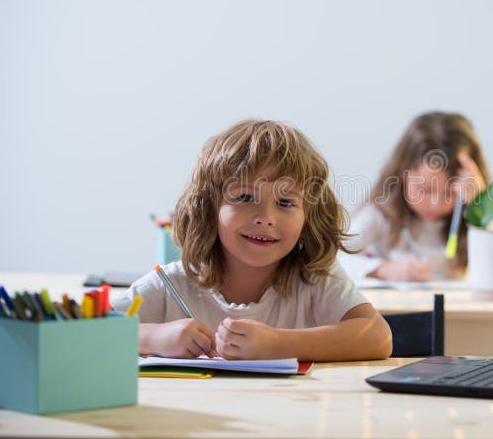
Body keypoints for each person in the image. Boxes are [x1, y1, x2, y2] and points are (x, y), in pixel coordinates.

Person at [112, 120, 392, 361]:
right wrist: (152, 337)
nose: (265, 218)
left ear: (309, 215)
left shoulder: (314, 279)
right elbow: (93, 334)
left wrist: (276, 344)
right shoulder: (171, 284)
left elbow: (378, 338)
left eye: (285, 202)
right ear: (209, 207)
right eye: (245, 197)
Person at [342, 111, 489, 282]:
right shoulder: (381, 214)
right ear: (403, 173)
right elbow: (335, 258)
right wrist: (383, 270)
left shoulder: (470, 219)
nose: (435, 204)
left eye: (450, 193)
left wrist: (480, 207)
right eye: (424, 190)